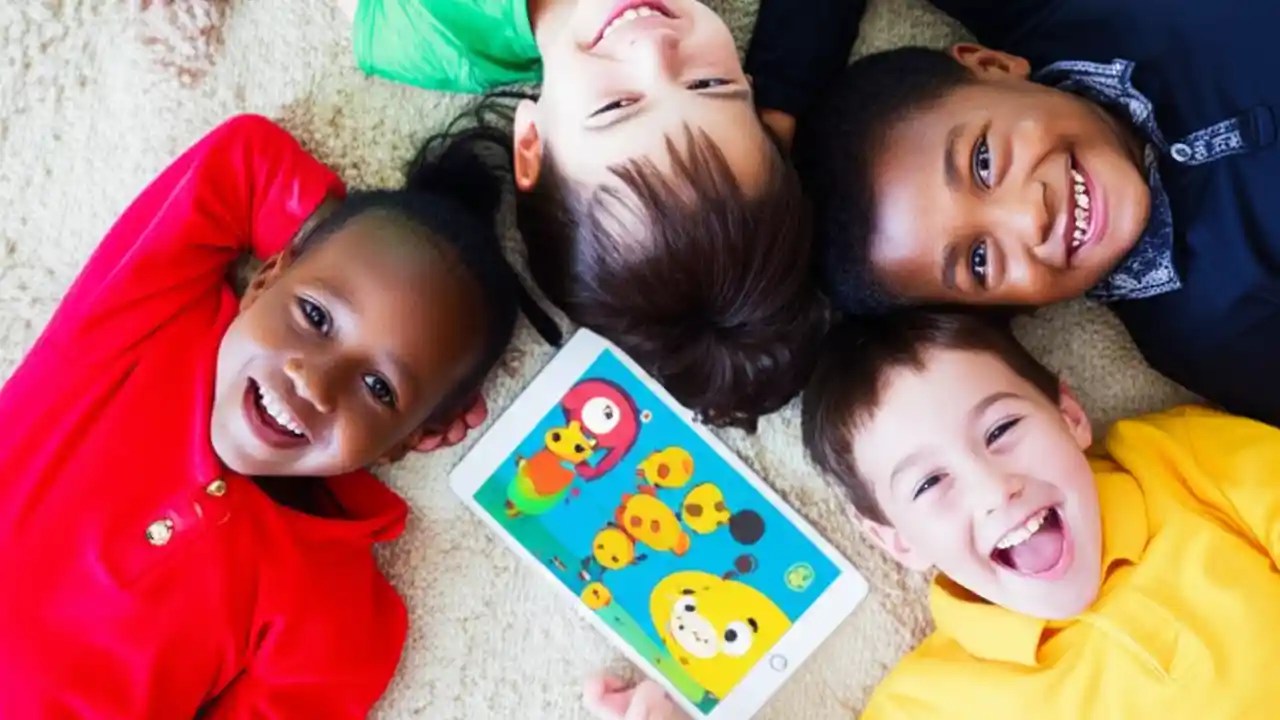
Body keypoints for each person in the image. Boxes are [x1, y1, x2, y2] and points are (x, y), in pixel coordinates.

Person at [0, 112, 554, 717]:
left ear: (406, 443)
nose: (313, 381)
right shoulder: (147, 323)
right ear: (265, 281)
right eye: (314, 316)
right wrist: (331, 237)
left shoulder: (339, 614)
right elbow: (241, 162)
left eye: (378, 387)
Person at [584, 311, 1280, 718]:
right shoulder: (927, 702)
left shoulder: (1178, 461)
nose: (992, 488)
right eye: (929, 485)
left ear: (1070, 414)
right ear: (895, 540)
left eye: (1003, 430)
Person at [336, 0, 835, 428]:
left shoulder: (422, 33)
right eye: (709, 83)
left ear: (530, 144)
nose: (653, 50)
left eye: (616, 106)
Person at [787, 0, 1280, 427]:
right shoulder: (1207, 337)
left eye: (983, 162)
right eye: (979, 260)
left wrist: (777, 105)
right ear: (1017, 309)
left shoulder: (1058, 13)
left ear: (992, 65)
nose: (1028, 218)